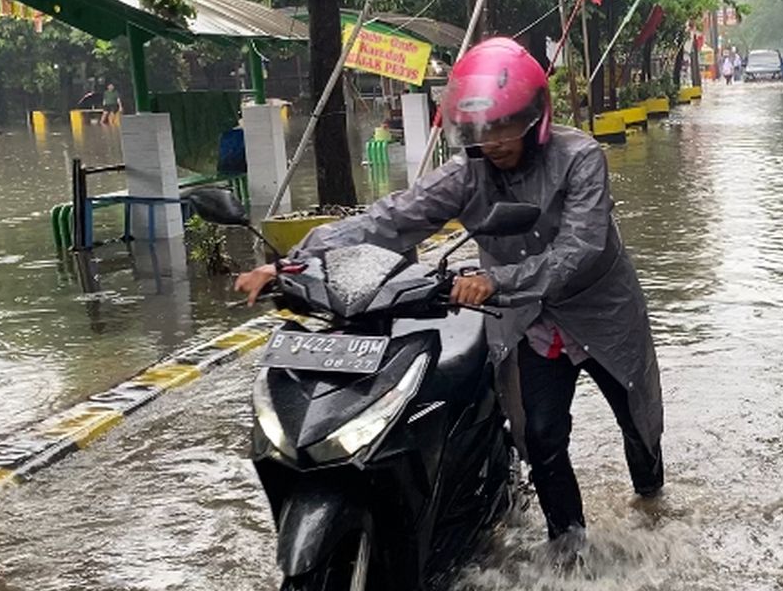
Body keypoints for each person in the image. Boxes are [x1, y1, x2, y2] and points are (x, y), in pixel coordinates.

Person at [235, 37, 665, 543]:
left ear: (535, 118)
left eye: (505, 126)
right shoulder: (467, 173)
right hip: (528, 321)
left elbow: (581, 247)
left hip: (602, 311)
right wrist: (295, 263)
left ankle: (652, 501)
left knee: (637, 420)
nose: (495, 141)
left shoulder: (580, 158)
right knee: (541, 436)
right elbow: (391, 220)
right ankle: (569, 552)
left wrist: (494, 280)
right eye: (483, 130)